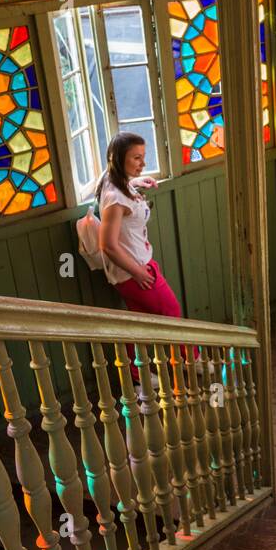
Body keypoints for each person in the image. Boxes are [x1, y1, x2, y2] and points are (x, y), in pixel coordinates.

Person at [96, 132, 183, 378]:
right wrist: (137, 273)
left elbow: (119, 189)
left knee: (139, 324)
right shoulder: (115, 199)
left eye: (143, 157)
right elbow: (107, 245)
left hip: (131, 268)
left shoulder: (111, 179)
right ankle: (192, 361)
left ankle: (137, 377)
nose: (142, 163)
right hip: (134, 270)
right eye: (136, 158)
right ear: (118, 159)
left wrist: (135, 182)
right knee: (172, 313)